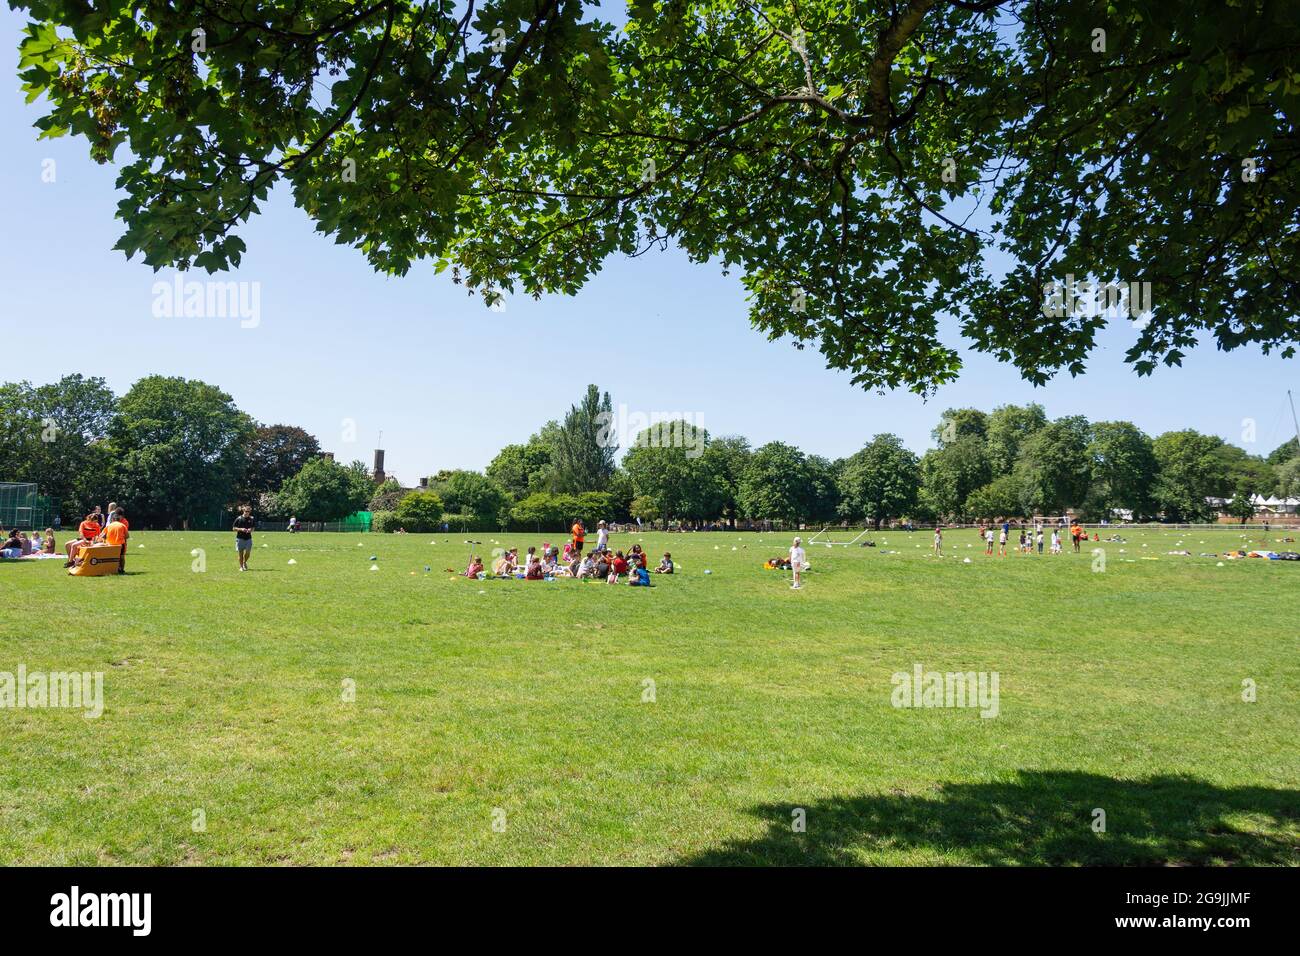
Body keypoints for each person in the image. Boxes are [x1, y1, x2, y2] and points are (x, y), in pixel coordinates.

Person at [103, 509, 129, 574]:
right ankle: (122, 569)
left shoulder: (109, 526)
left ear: (112, 520)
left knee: (111, 557)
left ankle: (111, 569)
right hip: (120, 544)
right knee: (122, 557)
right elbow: (127, 536)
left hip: (110, 544)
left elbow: (102, 535)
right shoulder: (123, 525)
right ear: (119, 520)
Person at [233, 504, 255, 571]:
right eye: (246, 511)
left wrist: (250, 530)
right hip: (240, 538)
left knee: (248, 553)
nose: (247, 512)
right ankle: (241, 567)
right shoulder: (239, 519)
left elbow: (253, 528)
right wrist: (241, 529)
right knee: (240, 553)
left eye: (248, 511)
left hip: (248, 538)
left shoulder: (251, 519)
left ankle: (244, 562)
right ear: (243, 511)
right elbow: (233, 528)